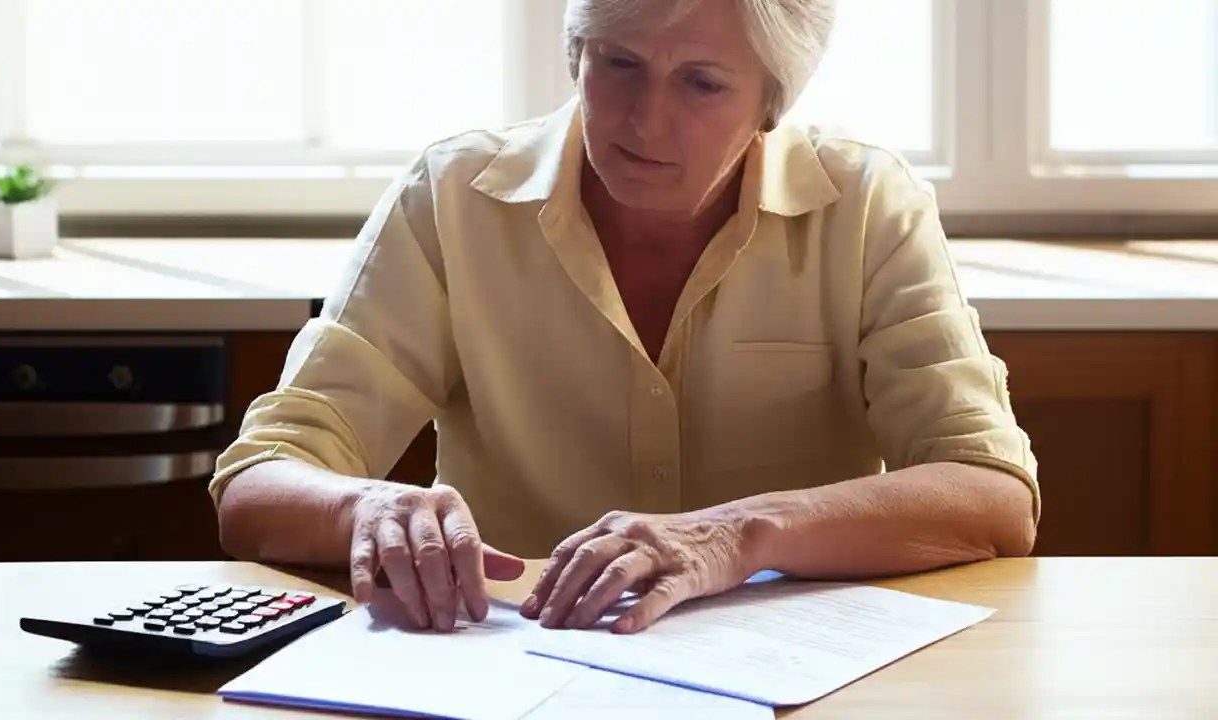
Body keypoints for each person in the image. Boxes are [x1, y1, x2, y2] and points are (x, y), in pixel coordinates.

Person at [209, 0, 1040, 636]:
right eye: (619, 64)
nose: (646, 121)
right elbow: (261, 479)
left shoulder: (866, 204)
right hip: (511, 666)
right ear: (575, 54)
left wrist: (739, 534)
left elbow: (993, 495)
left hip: (791, 666)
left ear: (772, 103)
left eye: (702, 83)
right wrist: (366, 510)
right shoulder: (452, 198)